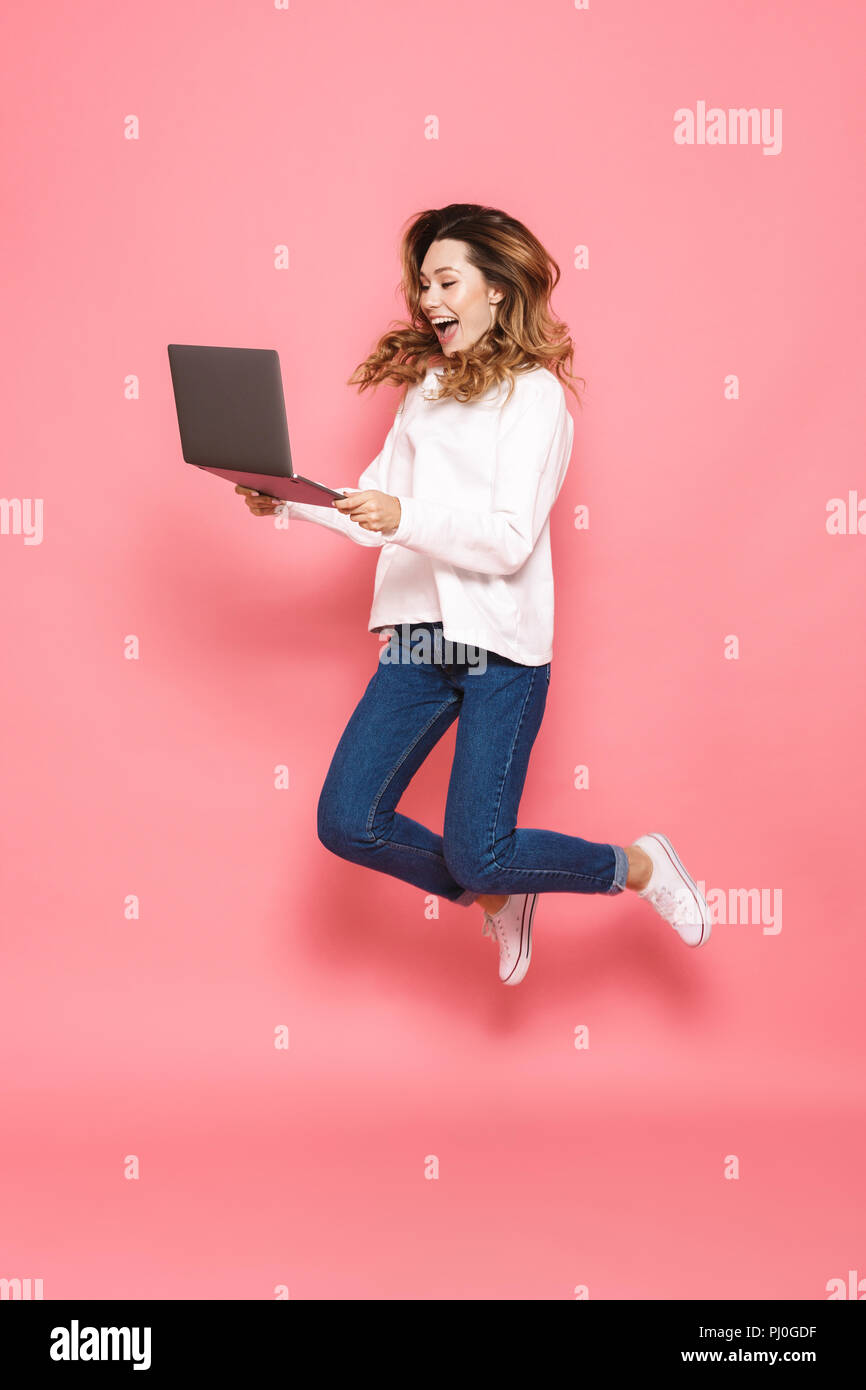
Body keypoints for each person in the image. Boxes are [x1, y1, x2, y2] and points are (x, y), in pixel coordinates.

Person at [236, 203, 711, 985]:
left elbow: (508, 537)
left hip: (500, 647)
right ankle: (500, 900)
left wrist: (404, 515)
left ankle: (636, 866)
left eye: (447, 280)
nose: (429, 299)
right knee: (348, 822)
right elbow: (374, 516)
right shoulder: (425, 389)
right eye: (423, 283)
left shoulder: (536, 398)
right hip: (420, 639)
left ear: (498, 288)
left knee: (478, 849)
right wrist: (284, 498)